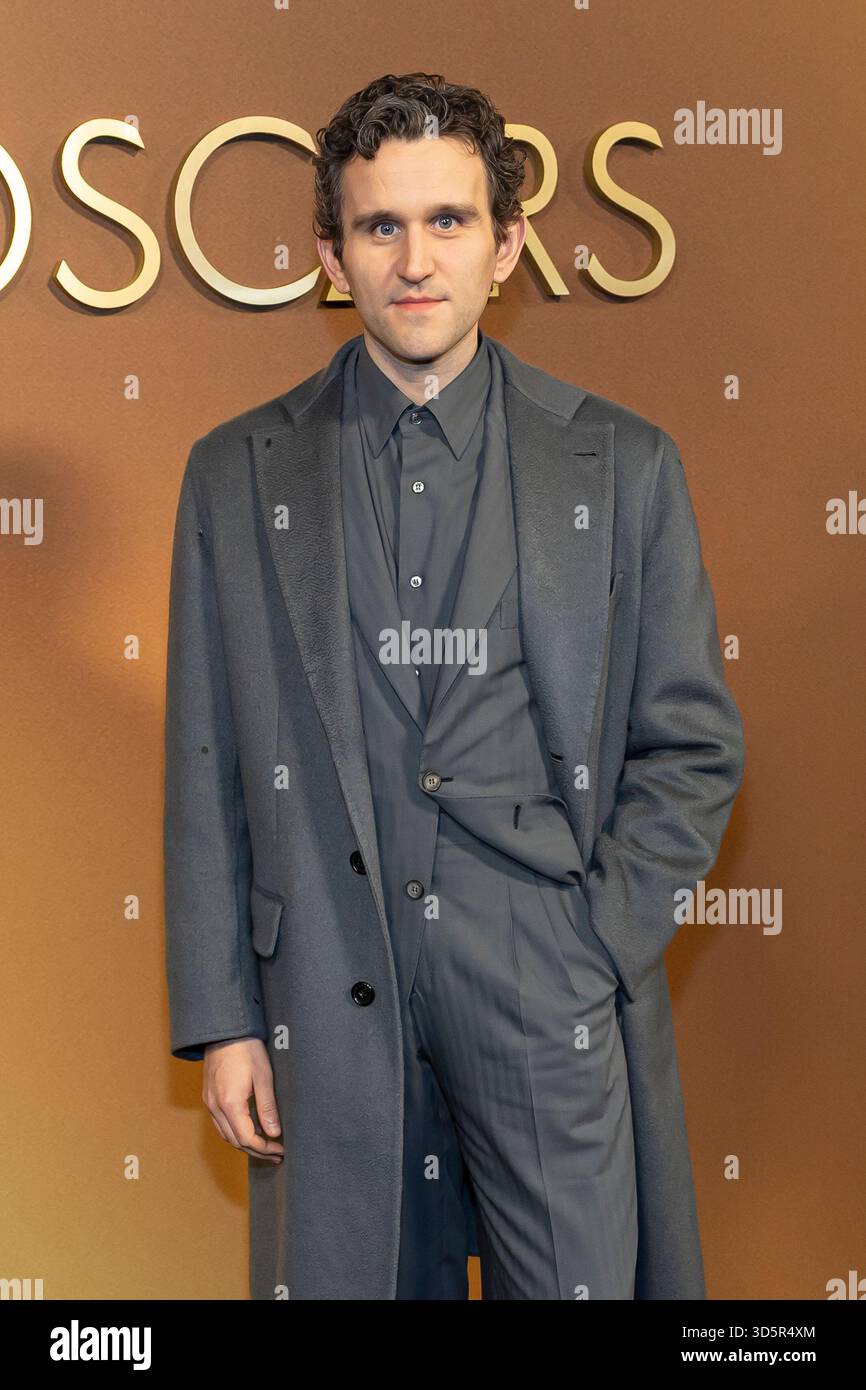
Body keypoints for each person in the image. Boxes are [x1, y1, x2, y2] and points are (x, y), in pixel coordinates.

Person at [163, 71, 745, 1300]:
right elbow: (206, 758)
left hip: (548, 984)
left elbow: (689, 743)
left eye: (448, 222)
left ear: (507, 244)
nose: (413, 260)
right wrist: (223, 1017)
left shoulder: (623, 464)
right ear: (332, 253)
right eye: (380, 227)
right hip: (324, 990)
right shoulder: (233, 473)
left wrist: (598, 941)